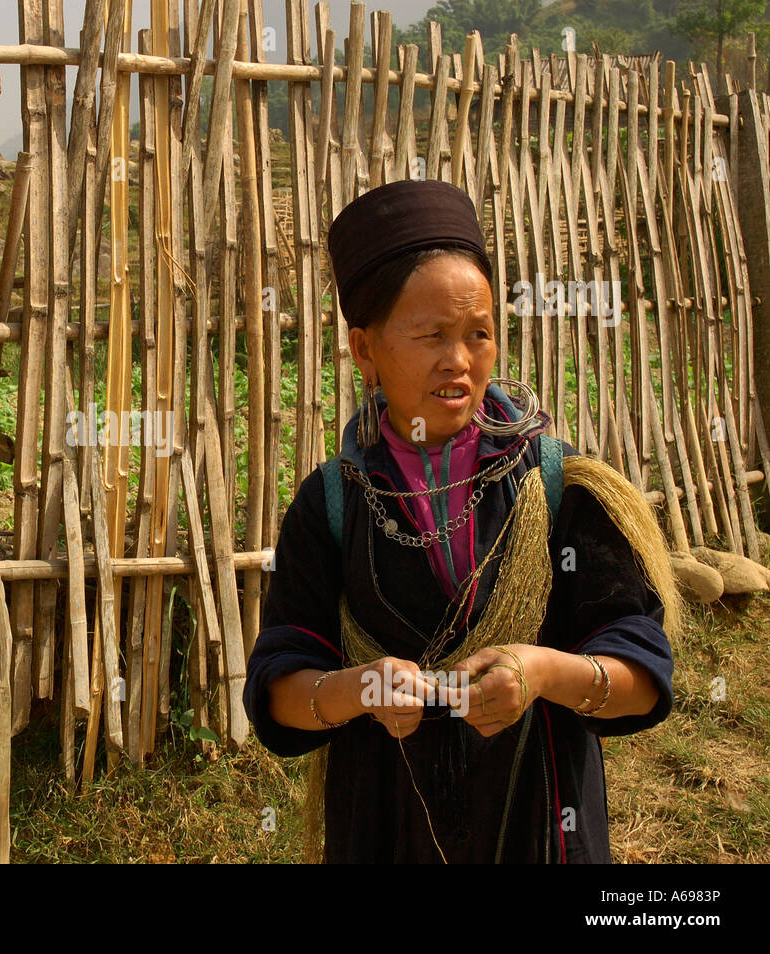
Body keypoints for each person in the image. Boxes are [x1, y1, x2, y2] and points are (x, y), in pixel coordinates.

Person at [243, 179, 682, 863]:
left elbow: (643, 675)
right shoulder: (332, 504)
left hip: (539, 826)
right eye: (431, 336)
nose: (460, 361)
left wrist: (539, 672)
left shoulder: (560, 488)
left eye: (478, 334)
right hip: (386, 826)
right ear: (365, 350)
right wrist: (359, 689)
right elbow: (279, 693)